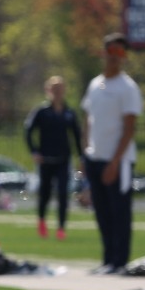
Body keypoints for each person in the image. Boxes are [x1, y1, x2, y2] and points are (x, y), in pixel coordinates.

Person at [81, 32, 142, 273]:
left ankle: (120, 261)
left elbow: (129, 128)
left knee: (119, 211)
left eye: (120, 53)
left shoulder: (127, 87)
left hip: (119, 160)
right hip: (95, 157)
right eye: (111, 51)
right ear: (104, 53)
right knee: (102, 212)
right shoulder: (95, 84)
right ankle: (107, 259)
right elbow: (88, 119)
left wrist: (115, 161)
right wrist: (86, 152)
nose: (115, 57)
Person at [25, 75, 83, 239]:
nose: (57, 92)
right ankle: (42, 220)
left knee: (63, 193)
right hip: (46, 160)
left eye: (60, 89)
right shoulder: (42, 112)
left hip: (63, 159)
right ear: (48, 91)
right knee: (45, 193)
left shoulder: (69, 113)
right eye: (54, 89)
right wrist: (34, 151)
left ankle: (61, 227)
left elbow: (77, 136)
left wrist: (81, 157)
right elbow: (28, 131)